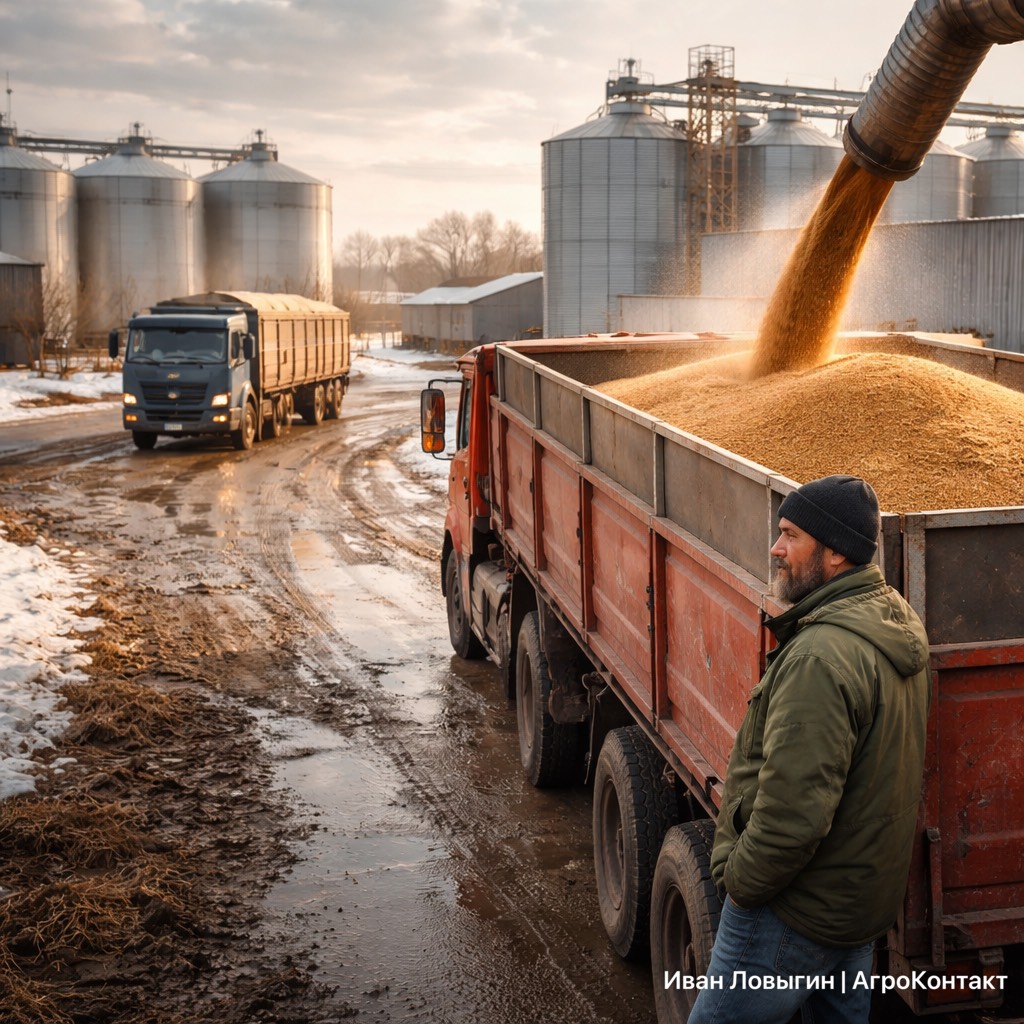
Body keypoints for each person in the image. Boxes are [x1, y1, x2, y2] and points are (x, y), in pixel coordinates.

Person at [689, 474, 931, 1024]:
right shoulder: (892, 621)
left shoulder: (822, 657)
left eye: (791, 535)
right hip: (853, 908)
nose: (775, 549)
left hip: (792, 913)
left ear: (837, 554)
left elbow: (793, 817)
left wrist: (738, 882)